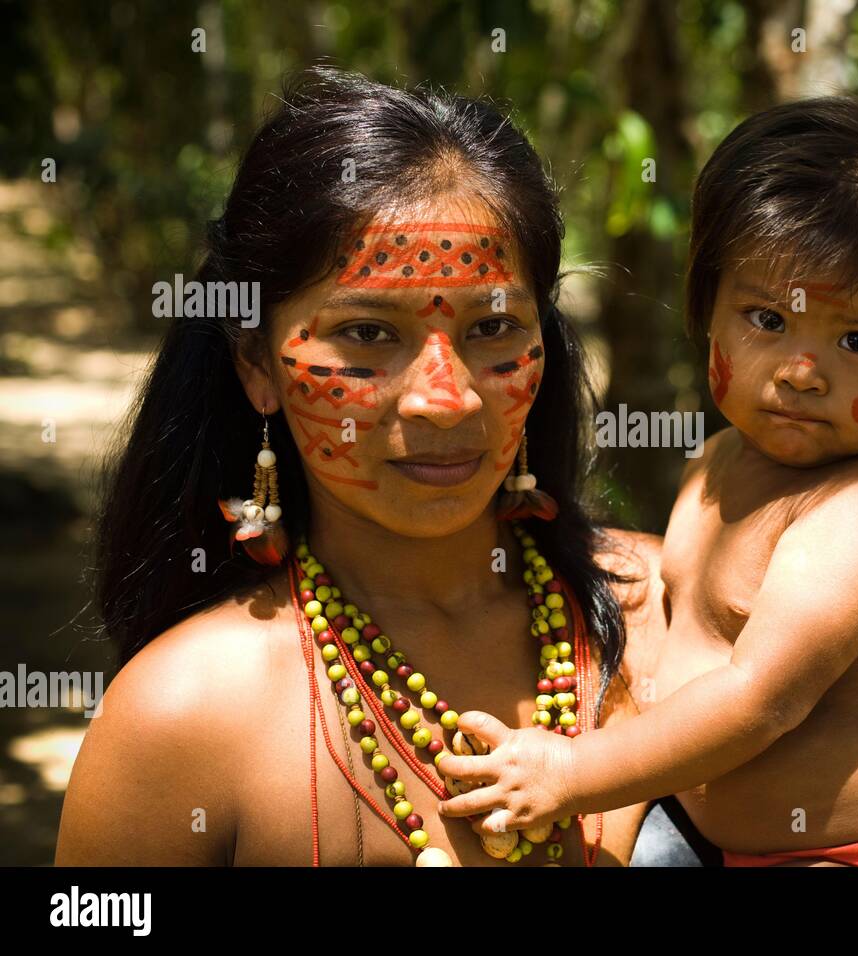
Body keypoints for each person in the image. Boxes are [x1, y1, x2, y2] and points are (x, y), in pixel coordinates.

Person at [55, 67, 666, 867]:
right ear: (257, 365)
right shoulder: (181, 716)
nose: (446, 402)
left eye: (491, 328)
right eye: (369, 334)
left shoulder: (678, 614)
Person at [437, 88, 858, 867]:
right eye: (768, 321)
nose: (804, 372)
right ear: (709, 315)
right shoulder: (716, 462)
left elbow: (761, 698)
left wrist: (570, 772)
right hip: (714, 841)